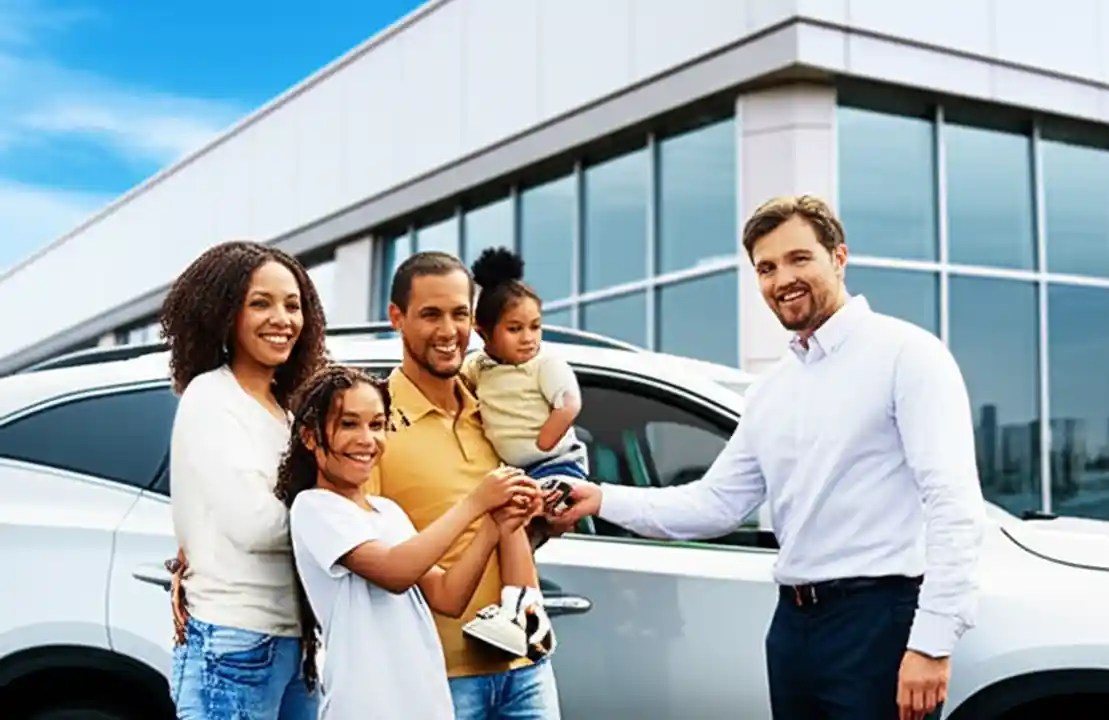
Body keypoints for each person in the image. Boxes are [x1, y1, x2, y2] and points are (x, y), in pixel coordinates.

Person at [551, 195, 986, 720]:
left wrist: (932, 642)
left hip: (879, 624)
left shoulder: (907, 355)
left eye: (799, 259)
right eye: (766, 268)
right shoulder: (772, 389)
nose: (782, 279)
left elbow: (953, 503)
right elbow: (714, 504)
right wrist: (599, 497)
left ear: (839, 257)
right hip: (793, 631)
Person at [273, 364, 541, 720]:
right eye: (349, 424)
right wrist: (475, 502)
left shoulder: (388, 512)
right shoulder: (315, 507)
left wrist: (493, 525)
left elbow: (448, 595)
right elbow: (395, 572)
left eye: (377, 424)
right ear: (309, 437)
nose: (367, 439)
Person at [364, 250, 563, 720]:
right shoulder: (371, 421)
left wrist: (543, 519)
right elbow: (372, 559)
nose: (449, 331)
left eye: (460, 314)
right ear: (396, 317)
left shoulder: (494, 405)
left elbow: (511, 528)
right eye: (431, 314)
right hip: (438, 675)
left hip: (528, 664)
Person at [161, 240, 328, 720]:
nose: (283, 319)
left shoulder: (286, 410)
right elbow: (256, 526)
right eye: (261, 303)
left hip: (294, 644)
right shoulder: (212, 397)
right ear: (223, 314)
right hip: (236, 643)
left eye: (293, 305)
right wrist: (342, 521)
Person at [455, 247, 587, 659]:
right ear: (484, 332)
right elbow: (456, 385)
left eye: (535, 326)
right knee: (515, 525)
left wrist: (547, 439)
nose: (529, 337)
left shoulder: (544, 364)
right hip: (521, 471)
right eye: (515, 328)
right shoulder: (481, 368)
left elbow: (569, 404)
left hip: (558, 465)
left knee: (516, 518)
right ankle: (519, 611)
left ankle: (525, 618)